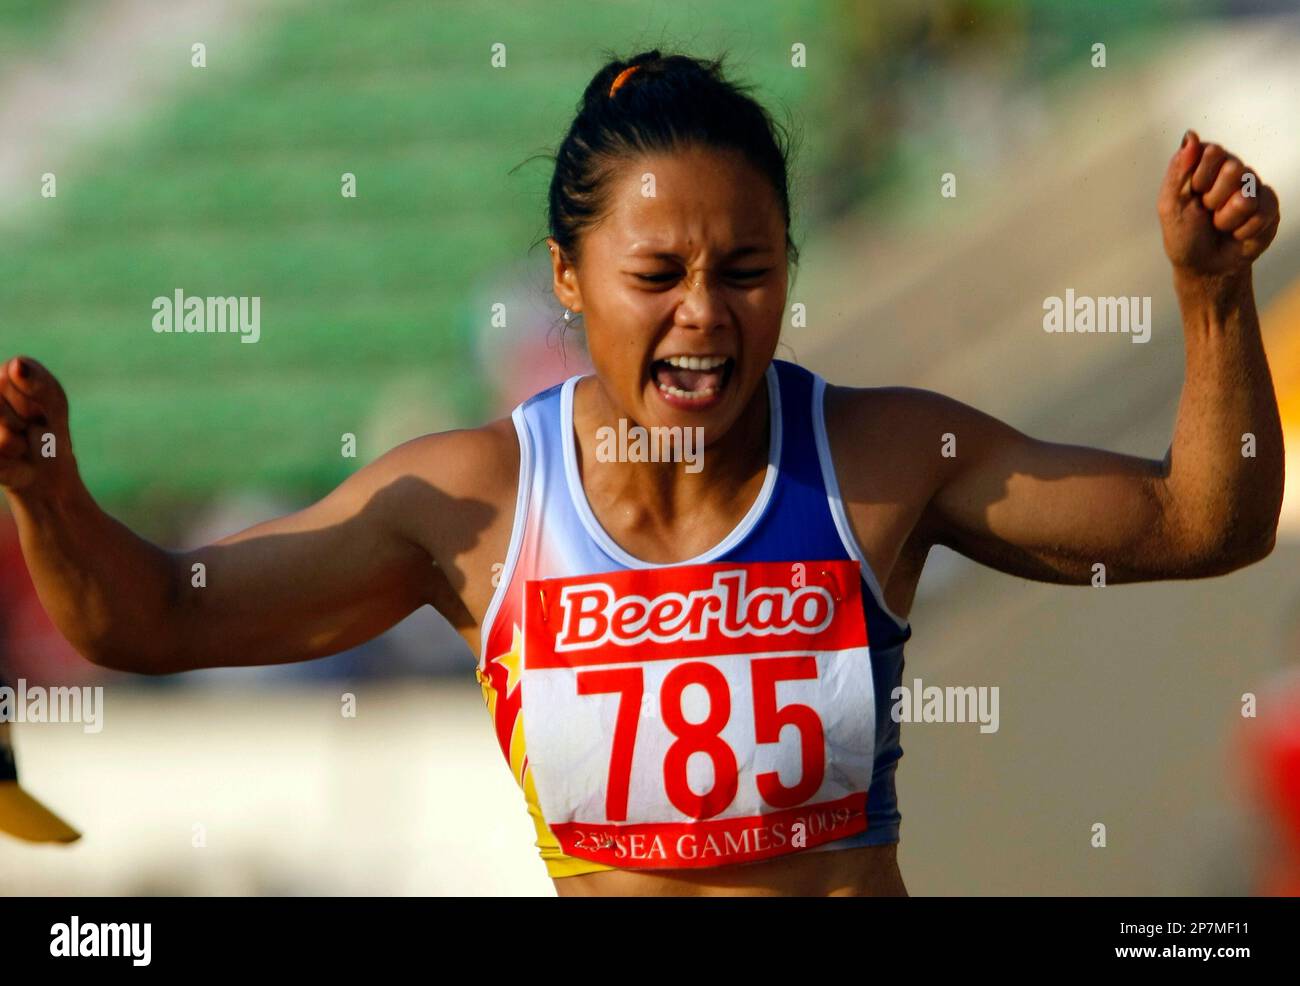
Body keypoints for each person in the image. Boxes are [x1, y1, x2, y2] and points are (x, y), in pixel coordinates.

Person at [0, 51, 1283, 897]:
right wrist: (48, 489)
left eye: (745, 271)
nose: (705, 318)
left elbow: (1200, 522)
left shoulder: (884, 456)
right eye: (655, 276)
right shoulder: (477, 502)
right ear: (567, 279)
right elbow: (153, 615)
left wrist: (1213, 298)